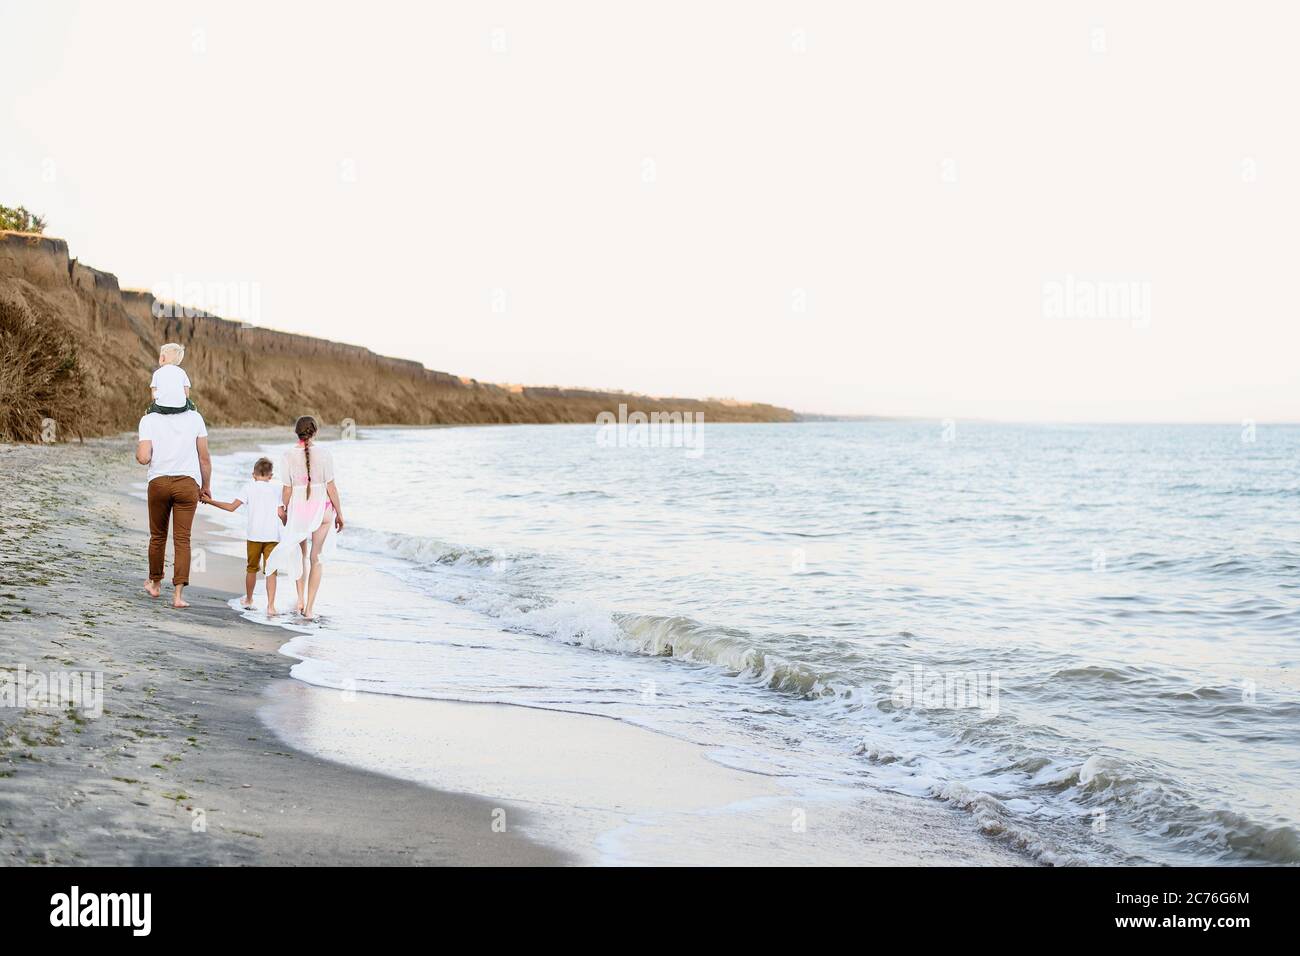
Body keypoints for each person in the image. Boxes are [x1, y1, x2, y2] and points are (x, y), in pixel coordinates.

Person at [263, 416, 345, 620]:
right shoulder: (325, 454)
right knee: (315, 559)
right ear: (315, 432)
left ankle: (299, 598)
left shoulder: (288, 455)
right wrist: (340, 513)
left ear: (296, 433)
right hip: (322, 510)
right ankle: (309, 609)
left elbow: (287, 489)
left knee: (300, 555)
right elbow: (331, 487)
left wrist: (284, 509)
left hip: (300, 511)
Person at [136, 406, 211, 608]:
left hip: (158, 483)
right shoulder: (196, 418)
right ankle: (178, 597)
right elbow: (204, 458)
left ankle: (155, 584)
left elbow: (143, 458)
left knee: (158, 536)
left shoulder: (148, 419)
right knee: (182, 539)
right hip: (187, 484)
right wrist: (205, 487)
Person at [201, 457, 283, 615]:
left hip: (254, 536)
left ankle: (249, 599)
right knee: (271, 571)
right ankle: (271, 606)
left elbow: (232, 507)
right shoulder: (277, 489)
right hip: (273, 537)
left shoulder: (248, 488)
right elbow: (281, 513)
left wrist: (210, 501)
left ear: (253, 474)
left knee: (251, 569)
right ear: (271, 476)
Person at [148, 342, 198, 415]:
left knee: (152, 407)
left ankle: (148, 412)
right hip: (180, 407)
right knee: (190, 403)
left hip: (161, 407)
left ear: (162, 358)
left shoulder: (157, 373)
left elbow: (153, 395)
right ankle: (193, 409)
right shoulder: (182, 372)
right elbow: (187, 394)